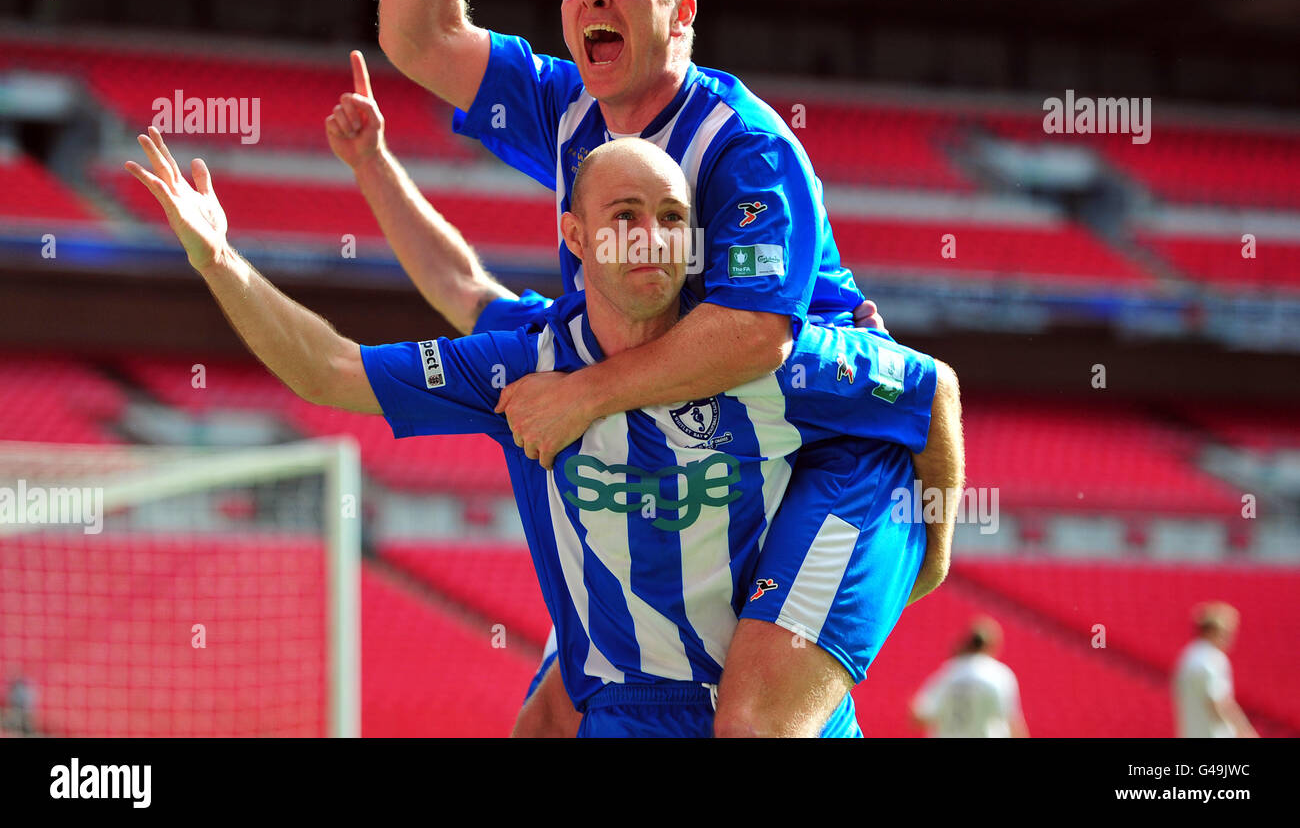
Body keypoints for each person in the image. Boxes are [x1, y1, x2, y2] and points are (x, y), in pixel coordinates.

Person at [366, 0, 964, 737]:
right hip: (690, 443)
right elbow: (419, 36)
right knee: (551, 720)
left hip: (824, 442)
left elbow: (755, 334)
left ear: (682, 15)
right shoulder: (569, 104)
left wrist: (581, 397)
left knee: (753, 721)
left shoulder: (745, 146)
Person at [126, 127, 952, 738]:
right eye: (624, 212)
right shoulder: (522, 361)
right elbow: (334, 371)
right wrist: (220, 261)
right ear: (574, 234)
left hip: (758, 705)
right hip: (618, 710)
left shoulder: (765, 353)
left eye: (671, 216)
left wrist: (934, 550)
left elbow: (930, 388)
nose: (651, 234)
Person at [910, 616, 1028, 738]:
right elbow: (1013, 723)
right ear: (992, 645)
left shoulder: (949, 672)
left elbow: (918, 717)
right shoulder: (1000, 676)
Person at [1172, 601, 1256, 739]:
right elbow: (1218, 702)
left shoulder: (1187, 657)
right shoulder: (1211, 660)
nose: (1230, 638)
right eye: (1226, 632)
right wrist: (1243, 732)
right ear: (1212, 631)